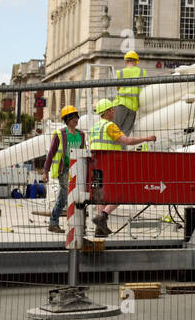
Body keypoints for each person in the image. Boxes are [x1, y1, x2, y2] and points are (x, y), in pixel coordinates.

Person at [88, 98, 156, 237]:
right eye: (112, 110)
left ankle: (99, 230)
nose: (114, 112)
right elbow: (127, 141)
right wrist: (146, 139)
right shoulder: (110, 126)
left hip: (96, 166)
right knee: (122, 192)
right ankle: (103, 216)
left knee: (100, 196)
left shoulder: (94, 128)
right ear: (106, 112)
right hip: (110, 165)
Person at [42, 105, 86, 233]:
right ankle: (54, 222)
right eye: (72, 117)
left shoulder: (81, 135)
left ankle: (76, 224)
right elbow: (51, 153)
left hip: (78, 167)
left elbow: (83, 151)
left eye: (76, 117)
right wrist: (45, 171)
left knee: (75, 195)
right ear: (67, 119)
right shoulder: (60, 134)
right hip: (64, 169)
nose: (75, 119)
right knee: (66, 193)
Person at [115, 51, 146, 135]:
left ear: (126, 61)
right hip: (133, 106)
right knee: (125, 134)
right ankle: (122, 148)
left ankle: (113, 147)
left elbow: (118, 88)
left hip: (121, 103)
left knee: (114, 130)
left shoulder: (120, 73)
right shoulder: (142, 72)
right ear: (136, 61)